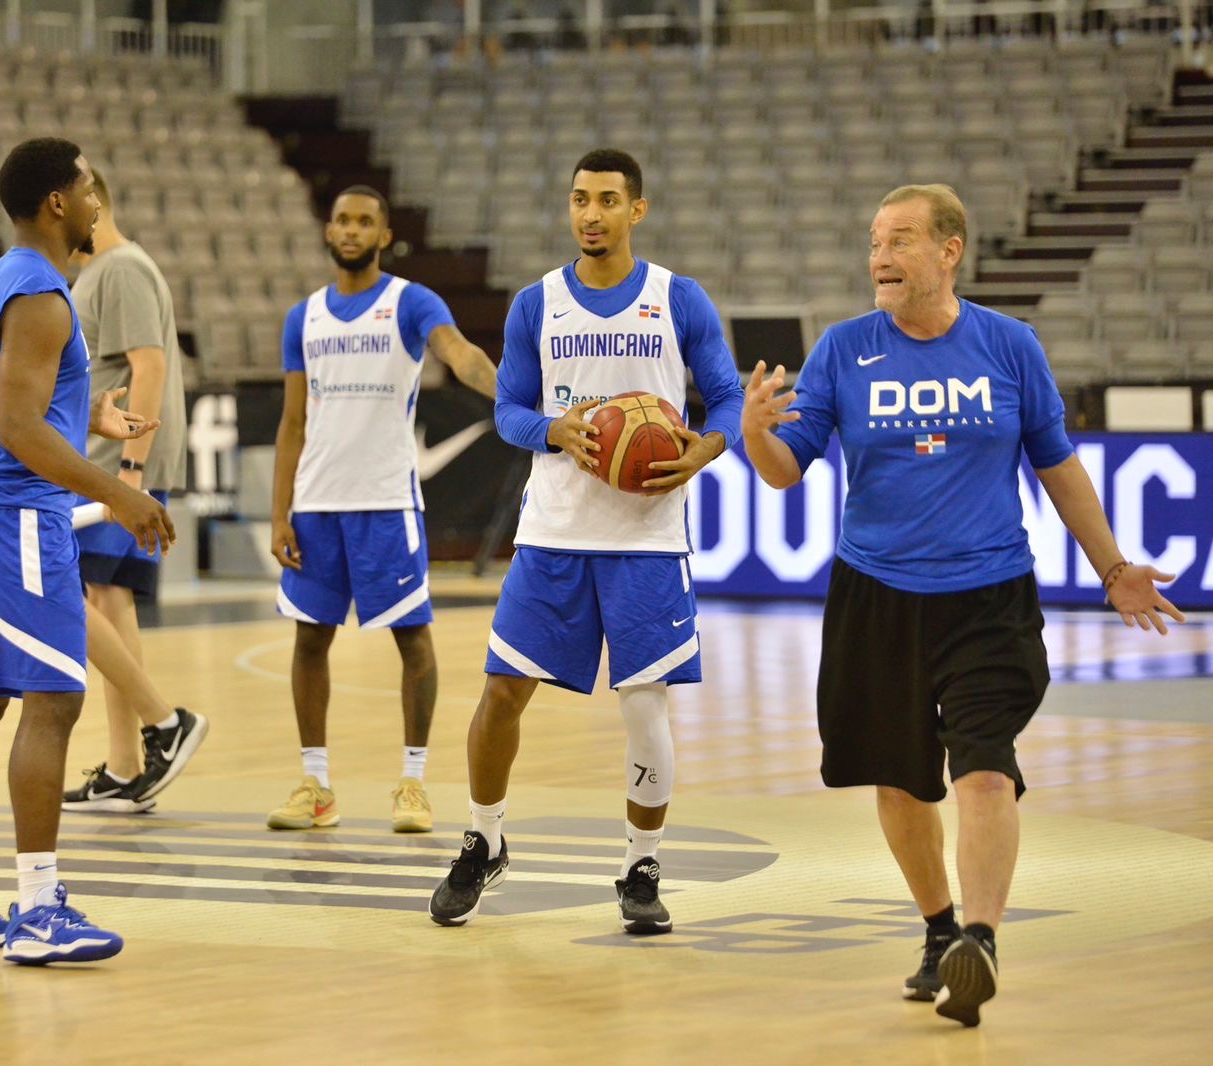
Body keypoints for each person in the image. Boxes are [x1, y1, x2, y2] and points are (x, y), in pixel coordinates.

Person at [740, 183, 1185, 1026]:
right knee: (902, 780)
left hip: (988, 596)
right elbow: (786, 470)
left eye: (900, 240)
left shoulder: (1009, 347)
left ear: (950, 252)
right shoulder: (842, 351)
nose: (880, 257)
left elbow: (1057, 466)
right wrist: (758, 431)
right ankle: (938, 927)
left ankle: (977, 939)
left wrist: (1114, 566)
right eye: (874, 241)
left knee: (984, 769)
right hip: (876, 595)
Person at [427, 149, 744, 933]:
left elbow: (728, 397)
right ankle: (484, 839)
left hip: (646, 538)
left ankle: (642, 865)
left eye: (606, 200)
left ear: (636, 209)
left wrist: (708, 446)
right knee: (502, 693)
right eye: (579, 200)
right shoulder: (537, 304)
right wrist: (551, 430)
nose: (590, 214)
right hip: (555, 535)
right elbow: (506, 409)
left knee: (644, 711)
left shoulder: (680, 298)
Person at [0, 139, 175, 965]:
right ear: (58, 202)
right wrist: (121, 492)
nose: (98, 201)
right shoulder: (45, 296)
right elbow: (18, 431)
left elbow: (17, 407)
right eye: (89, 187)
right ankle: (37, 909)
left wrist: (87, 418)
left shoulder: (3, 279)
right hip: (13, 517)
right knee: (53, 700)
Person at [267, 184, 497, 833]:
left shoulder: (410, 302)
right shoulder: (303, 317)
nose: (350, 229)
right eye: (341, 219)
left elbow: (456, 353)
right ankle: (315, 785)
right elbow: (290, 421)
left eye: (364, 220)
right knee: (310, 640)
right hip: (315, 506)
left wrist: (504, 387)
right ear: (328, 230)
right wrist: (279, 512)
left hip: (386, 501)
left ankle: (414, 783)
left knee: (411, 640)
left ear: (383, 233)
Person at [60, 166, 208, 814]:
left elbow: (148, 366)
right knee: (106, 598)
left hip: (114, 469)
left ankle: (163, 722)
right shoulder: (98, 272)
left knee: (66, 595)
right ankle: (127, 764)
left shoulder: (119, 268)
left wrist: (130, 474)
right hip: (107, 467)